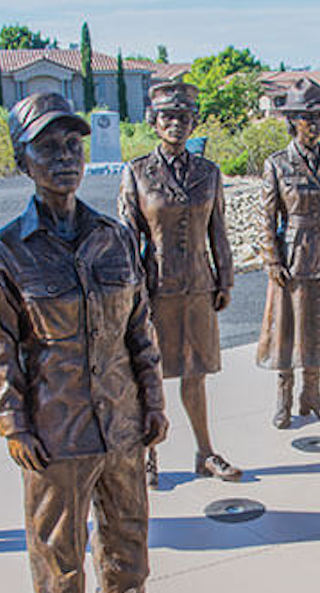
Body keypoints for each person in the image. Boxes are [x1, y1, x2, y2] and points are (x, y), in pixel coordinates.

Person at [0, 93, 186, 593]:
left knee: (128, 536)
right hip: (55, 430)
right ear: (23, 160)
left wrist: (151, 402)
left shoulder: (114, 238)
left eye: (73, 144)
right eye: (48, 147)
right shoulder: (4, 251)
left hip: (120, 420)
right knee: (58, 556)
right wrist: (12, 423)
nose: (65, 158)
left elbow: (138, 331)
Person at [118, 81, 241, 488]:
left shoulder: (208, 173)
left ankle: (205, 453)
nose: (176, 124)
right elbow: (126, 239)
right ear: (154, 123)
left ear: (194, 123)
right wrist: (132, 295)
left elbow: (217, 230)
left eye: (184, 117)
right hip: (154, 290)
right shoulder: (136, 173)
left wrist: (225, 277)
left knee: (196, 373)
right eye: (168, 117)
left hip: (198, 287)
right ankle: (147, 454)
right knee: (147, 374)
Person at [256, 78, 320, 428]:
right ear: (292, 121)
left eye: (319, 118)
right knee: (286, 329)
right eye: (306, 118)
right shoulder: (278, 164)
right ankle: (284, 396)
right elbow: (268, 218)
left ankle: (311, 395)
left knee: (319, 325)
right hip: (293, 256)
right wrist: (273, 260)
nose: (314, 125)